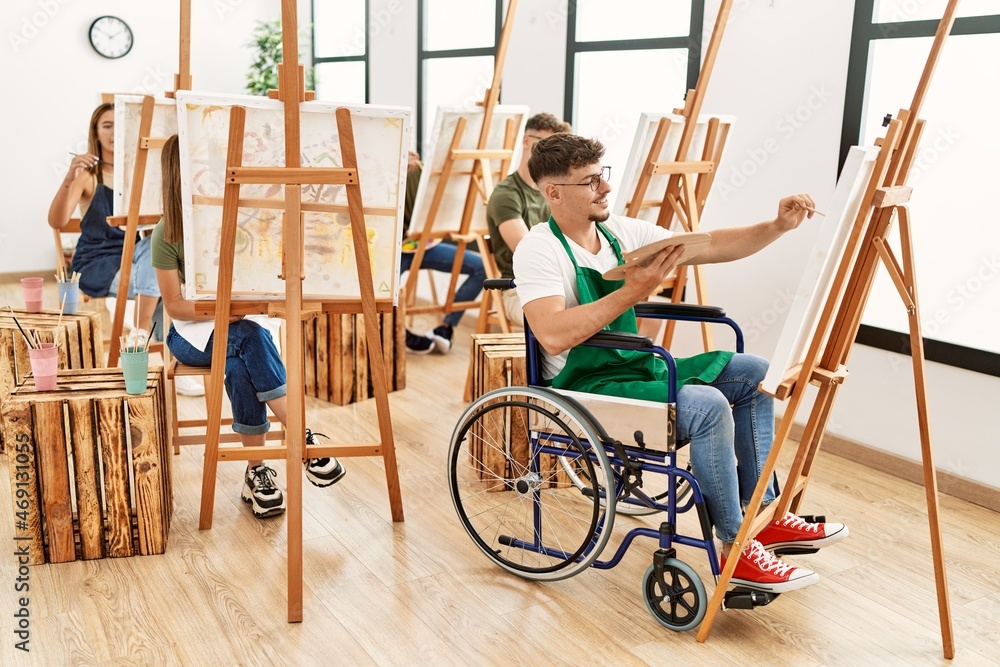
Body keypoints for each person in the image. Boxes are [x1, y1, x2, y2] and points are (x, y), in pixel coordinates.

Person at [512, 134, 848, 593]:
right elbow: (551, 335)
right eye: (590, 182)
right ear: (554, 193)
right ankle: (736, 547)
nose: (605, 189)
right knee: (707, 404)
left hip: (634, 369)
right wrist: (633, 290)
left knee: (754, 372)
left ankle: (759, 513)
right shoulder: (538, 250)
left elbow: (711, 246)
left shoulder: (621, 234)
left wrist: (776, 226)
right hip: (586, 385)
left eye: (602, 175)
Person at [151, 135, 346, 518]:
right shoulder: (166, 231)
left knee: (241, 360)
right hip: (191, 333)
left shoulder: (241, 218)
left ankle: (257, 474)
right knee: (249, 338)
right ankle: (303, 441)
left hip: (241, 328)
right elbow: (174, 306)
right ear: (179, 173)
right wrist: (223, 311)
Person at [47, 102, 164, 350]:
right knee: (165, 282)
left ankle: (152, 342)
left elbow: (150, 233)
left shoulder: (137, 176)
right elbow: (56, 221)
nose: (113, 133)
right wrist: (70, 176)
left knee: (160, 255)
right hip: (96, 263)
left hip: (133, 257)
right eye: (107, 126)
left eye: (119, 126)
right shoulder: (88, 177)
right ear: (96, 132)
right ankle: (156, 345)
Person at [486, 113, 572, 325]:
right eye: (542, 144)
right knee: (577, 316)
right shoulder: (506, 194)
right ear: (526, 141)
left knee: (635, 309)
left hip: (559, 283)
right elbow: (530, 254)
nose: (547, 154)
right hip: (519, 289)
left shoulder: (553, 191)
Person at [401, 150, 487, 355]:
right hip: (393, 250)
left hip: (426, 245)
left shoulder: (419, 171)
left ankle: (446, 328)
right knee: (382, 292)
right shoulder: (374, 171)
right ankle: (398, 332)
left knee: (481, 268)